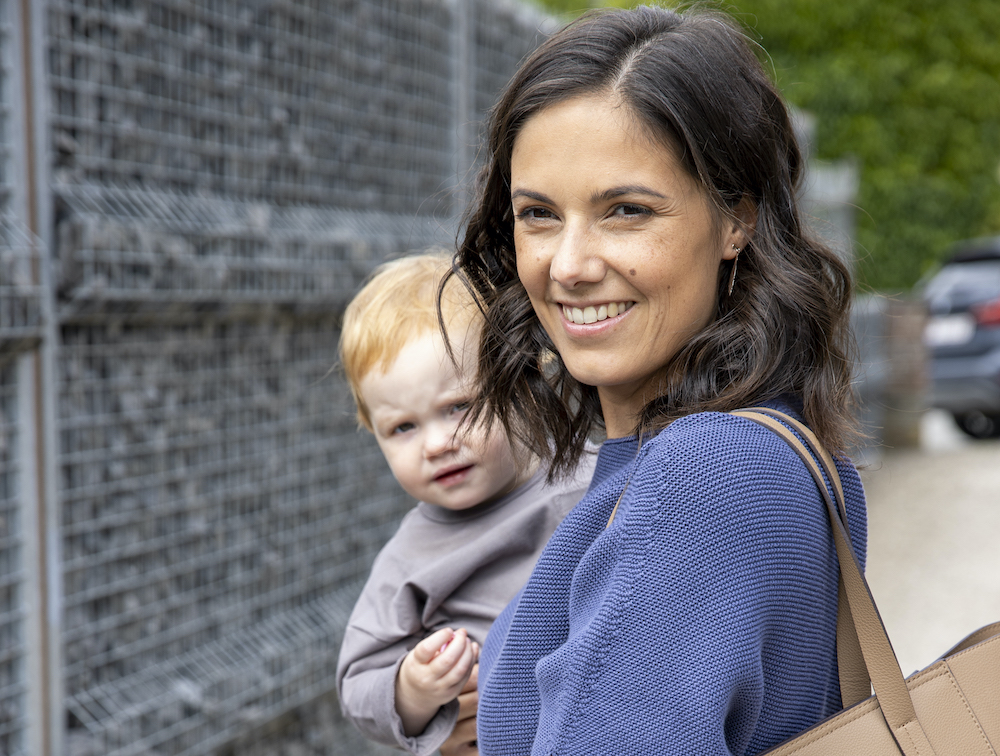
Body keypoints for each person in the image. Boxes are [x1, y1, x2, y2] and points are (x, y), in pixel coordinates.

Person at [451, 6, 867, 756]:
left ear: (736, 217)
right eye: (538, 215)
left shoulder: (708, 474)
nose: (569, 264)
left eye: (626, 211)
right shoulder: (776, 447)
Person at [334, 252, 597, 756]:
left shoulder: (593, 481)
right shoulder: (411, 556)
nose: (435, 444)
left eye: (459, 407)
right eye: (402, 428)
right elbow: (358, 683)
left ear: (521, 382)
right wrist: (413, 689)